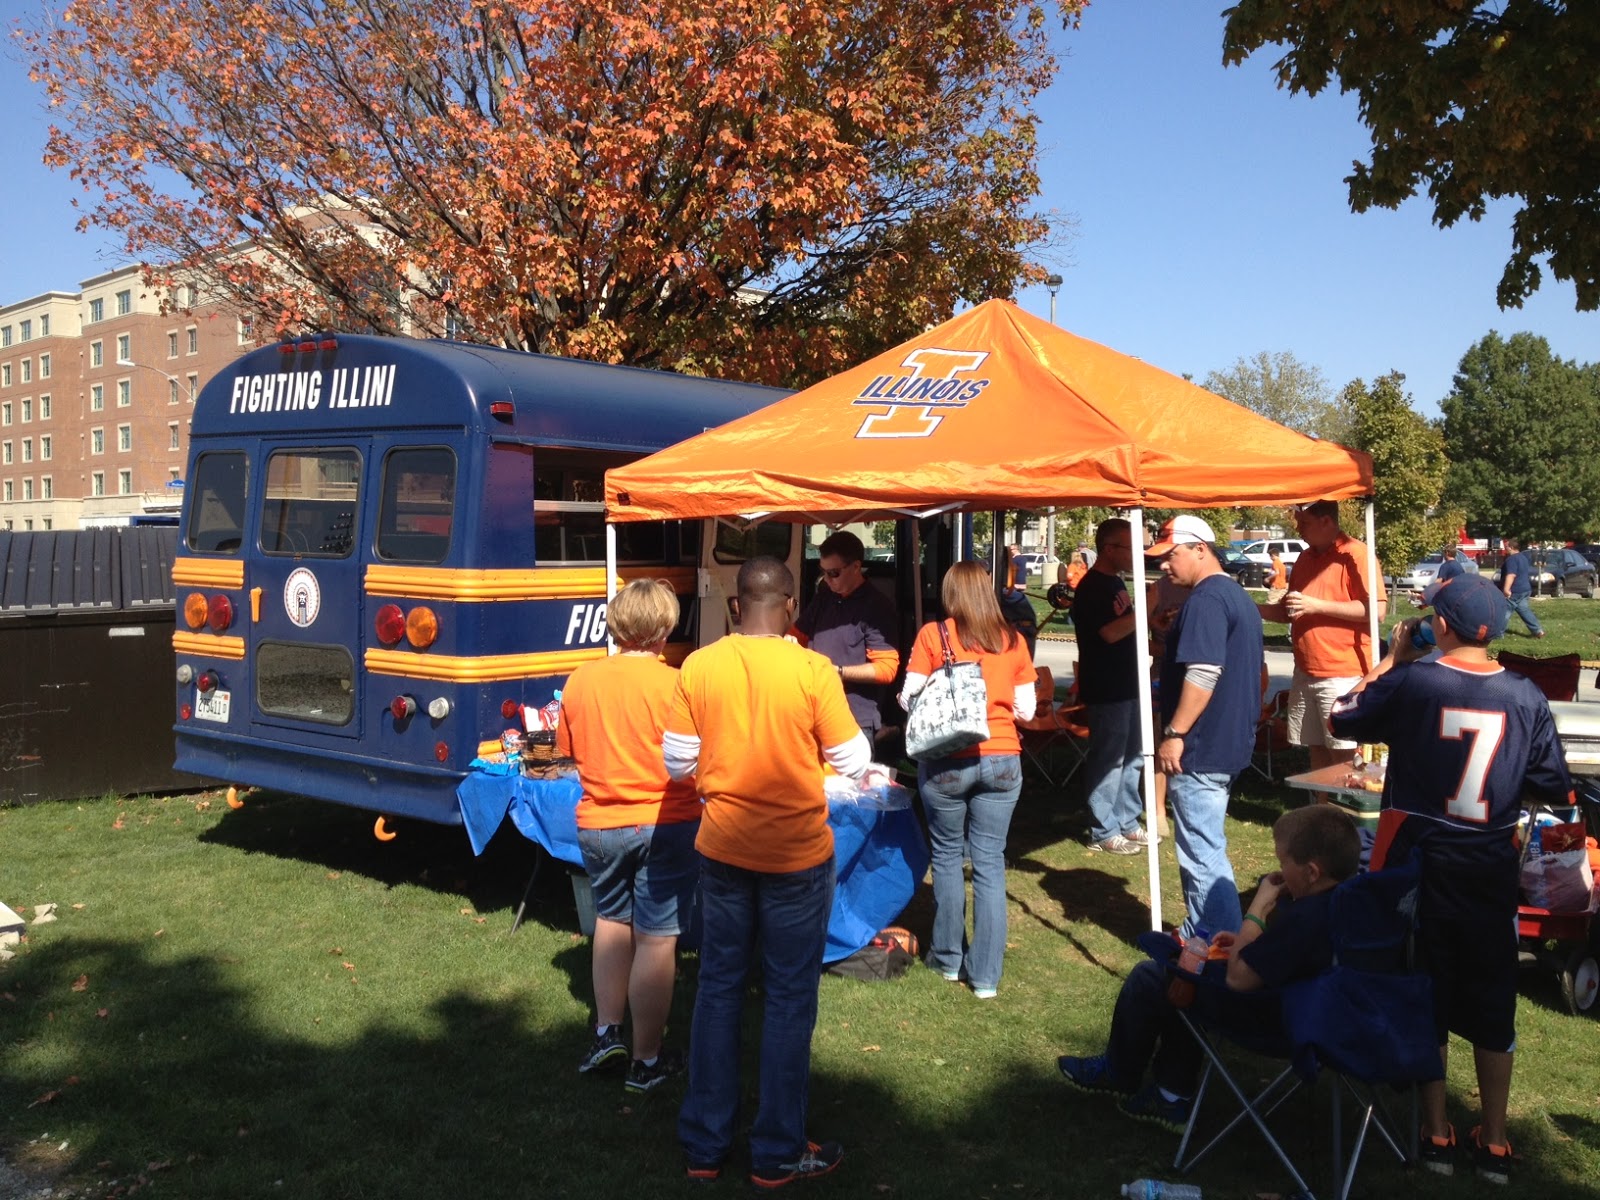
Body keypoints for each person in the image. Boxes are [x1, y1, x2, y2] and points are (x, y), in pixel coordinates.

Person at [1329, 572, 1571, 1185]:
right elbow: (1552, 787)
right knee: (1493, 1001)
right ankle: (1493, 1138)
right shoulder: (1524, 695)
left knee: (1424, 992)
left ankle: (1435, 1129)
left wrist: (1390, 658)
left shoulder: (1414, 682)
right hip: (1488, 868)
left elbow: (1341, 718)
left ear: (1440, 625)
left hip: (1419, 865)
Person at [666, 557, 871, 1187]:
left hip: (723, 849)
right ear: (789, 605)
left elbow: (677, 763)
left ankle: (705, 1145)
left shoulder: (699, 665)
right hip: (795, 857)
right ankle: (777, 1151)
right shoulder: (811, 669)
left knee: (719, 988)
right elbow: (853, 757)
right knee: (787, 999)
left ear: (735, 605)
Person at [1057, 806, 1362, 1132]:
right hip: (1323, 1011)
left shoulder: (1304, 919)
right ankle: (1169, 1092)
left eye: (1284, 862)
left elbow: (1238, 979)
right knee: (1185, 974)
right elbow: (1291, 957)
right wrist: (1246, 942)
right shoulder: (1347, 902)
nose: (1278, 870)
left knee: (1158, 976)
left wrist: (1257, 910)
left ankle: (1121, 1073)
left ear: (1312, 872)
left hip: (1276, 1020)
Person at [558, 580, 703, 1093]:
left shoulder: (580, 680)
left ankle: (606, 1032)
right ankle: (646, 1060)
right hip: (666, 821)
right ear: (664, 629)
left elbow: (568, 752)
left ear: (617, 626)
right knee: (658, 938)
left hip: (600, 822)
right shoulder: (678, 684)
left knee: (612, 923)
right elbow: (695, 761)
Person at [900, 560, 1037, 998]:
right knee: (990, 864)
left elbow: (908, 697)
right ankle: (985, 977)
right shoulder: (1012, 639)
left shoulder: (934, 635)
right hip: (1003, 759)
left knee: (945, 857)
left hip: (947, 762)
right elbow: (1028, 710)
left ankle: (947, 958)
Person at [1150, 514, 1263, 938]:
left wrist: (1175, 733)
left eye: (1171, 555)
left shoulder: (1207, 599)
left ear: (1201, 549)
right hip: (1226, 742)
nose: (1164, 566)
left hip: (1202, 744)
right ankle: (1201, 929)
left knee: (1201, 852)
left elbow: (1203, 673)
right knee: (1204, 845)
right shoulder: (1232, 595)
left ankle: (1216, 941)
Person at [1255, 499, 1387, 780]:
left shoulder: (1357, 554)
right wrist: (1249, 609)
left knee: (1344, 754)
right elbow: (1290, 611)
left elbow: (1377, 610)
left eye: (1304, 523)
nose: (1298, 529)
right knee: (1315, 749)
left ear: (1326, 521)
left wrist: (1317, 606)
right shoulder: (1304, 558)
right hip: (1305, 671)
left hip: (1343, 674)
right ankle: (1321, 814)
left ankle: (1344, 818)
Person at [1075, 518, 1150, 854]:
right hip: (1106, 686)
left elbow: (1125, 627)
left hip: (1130, 681)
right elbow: (1109, 632)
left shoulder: (1117, 584)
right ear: (1109, 549)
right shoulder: (1092, 587)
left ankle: (1128, 821)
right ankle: (1103, 829)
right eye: (1130, 546)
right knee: (1110, 758)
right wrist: (1146, 610)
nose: (1137, 553)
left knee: (1134, 756)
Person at [793, 530, 902, 746]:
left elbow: (887, 668)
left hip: (855, 719)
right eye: (822, 572)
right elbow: (796, 635)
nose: (826, 579)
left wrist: (839, 672)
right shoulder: (823, 598)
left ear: (855, 567)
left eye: (833, 573)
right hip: (813, 711)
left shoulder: (877, 606)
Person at [1497, 536, 1545, 639]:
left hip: (1514, 591)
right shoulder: (1523, 558)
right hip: (1525, 589)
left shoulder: (1511, 559)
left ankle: (1497, 634)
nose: (1505, 548)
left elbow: (1511, 575)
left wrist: (1506, 589)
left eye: (1506, 546)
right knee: (1524, 610)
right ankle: (1538, 631)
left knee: (1504, 611)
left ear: (1510, 547)